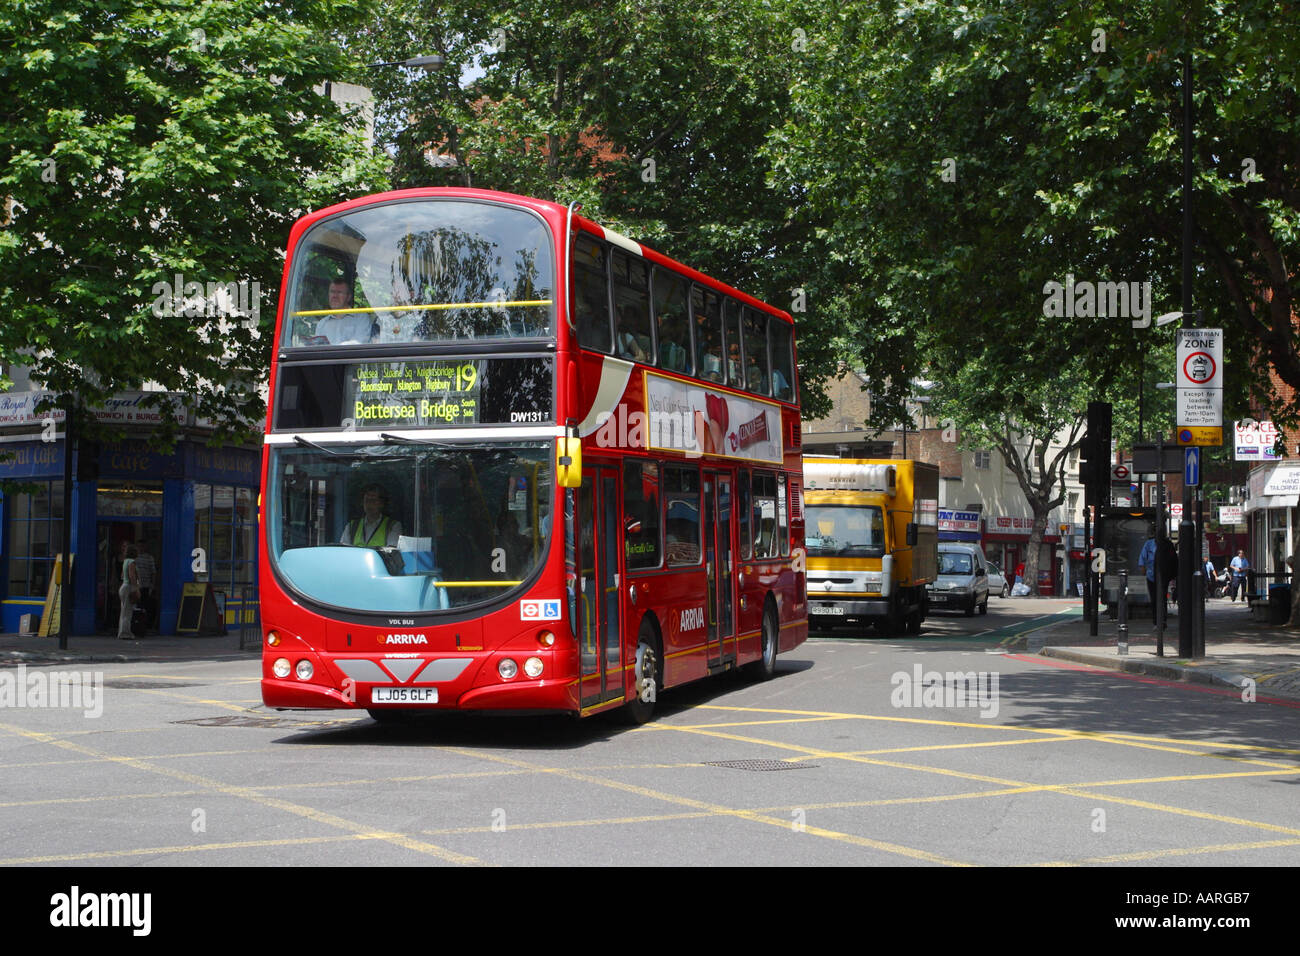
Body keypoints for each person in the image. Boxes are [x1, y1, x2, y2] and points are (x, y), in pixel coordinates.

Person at [341, 484, 403, 549]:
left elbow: (391, 552)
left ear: (382, 503)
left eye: (374, 501)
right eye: (367, 500)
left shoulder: (393, 526)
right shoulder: (351, 526)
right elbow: (343, 550)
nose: (369, 504)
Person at [314, 278, 373, 344]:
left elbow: (359, 343)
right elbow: (317, 349)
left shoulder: (361, 318)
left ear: (348, 297)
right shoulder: (322, 324)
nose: (335, 296)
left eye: (339, 292)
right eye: (332, 292)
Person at [1138, 531, 1164, 621]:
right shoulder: (1149, 544)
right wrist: (1142, 567)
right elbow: (1142, 556)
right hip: (1151, 575)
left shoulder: (1166, 544)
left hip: (1163, 575)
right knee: (1154, 598)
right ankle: (1156, 619)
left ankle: (1162, 618)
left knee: (1162, 597)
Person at [117, 543, 140, 640]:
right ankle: (125, 633)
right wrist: (135, 588)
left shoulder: (125, 561)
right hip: (128, 587)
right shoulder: (132, 562)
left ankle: (122, 631)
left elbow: (122, 576)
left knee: (124, 611)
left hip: (123, 586)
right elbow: (132, 576)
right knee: (128, 612)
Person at [135, 546, 157, 631]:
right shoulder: (135, 559)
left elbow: (153, 572)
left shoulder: (149, 558)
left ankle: (142, 625)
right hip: (140, 585)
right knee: (140, 606)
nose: (141, 549)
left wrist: (152, 585)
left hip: (145, 585)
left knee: (143, 606)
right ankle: (140, 625)